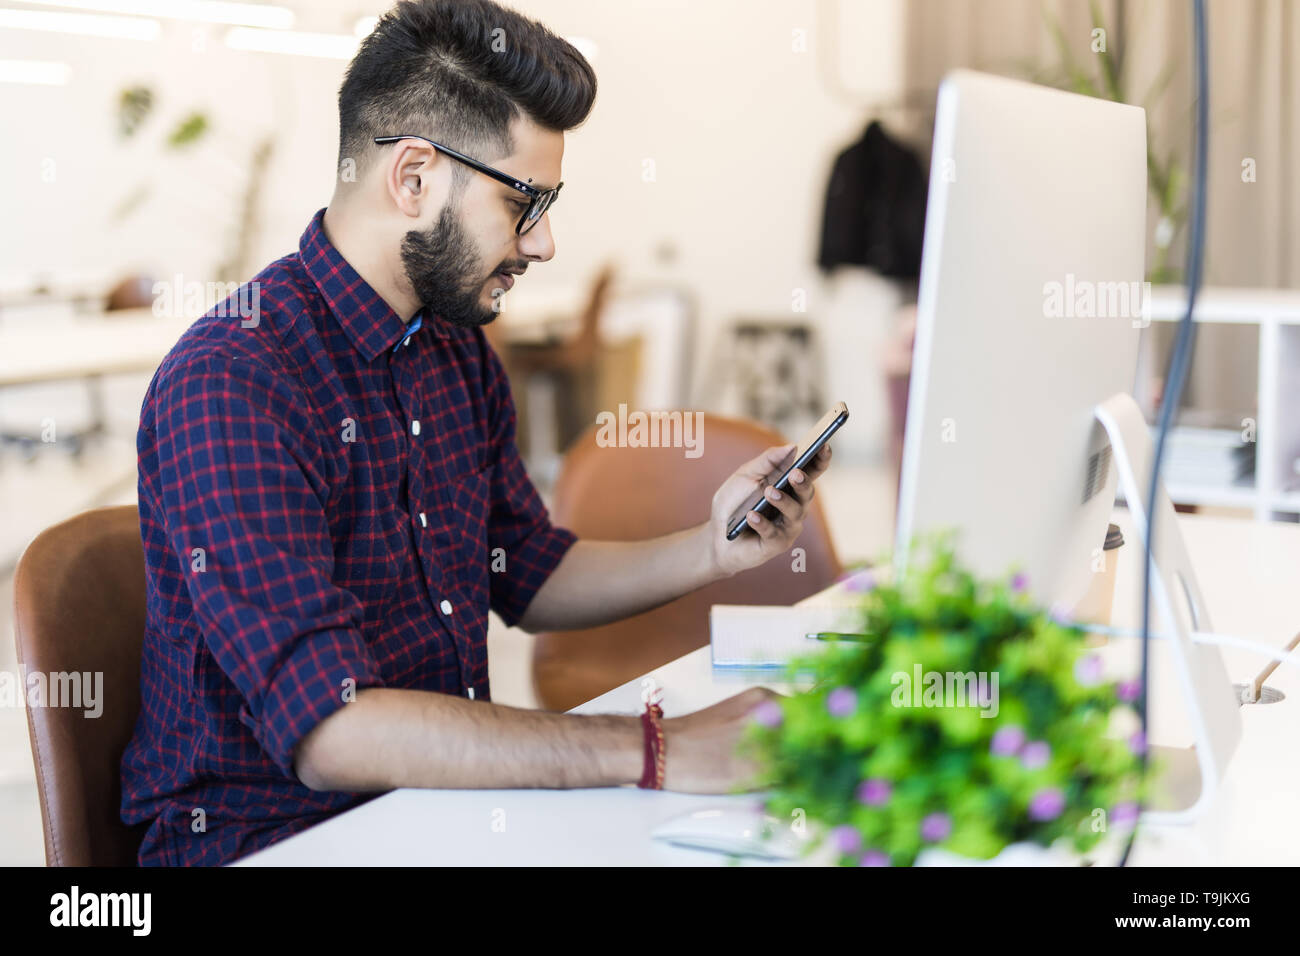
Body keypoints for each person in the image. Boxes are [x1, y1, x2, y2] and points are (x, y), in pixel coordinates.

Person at [121, 0, 833, 866]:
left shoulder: (452, 348)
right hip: (272, 839)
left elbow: (529, 571)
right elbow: (330, 731)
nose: (545, 242)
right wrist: (654, 746)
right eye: (522, 202)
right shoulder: (235, 379)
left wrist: (714, 548)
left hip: (440, 809)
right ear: (413, 177)